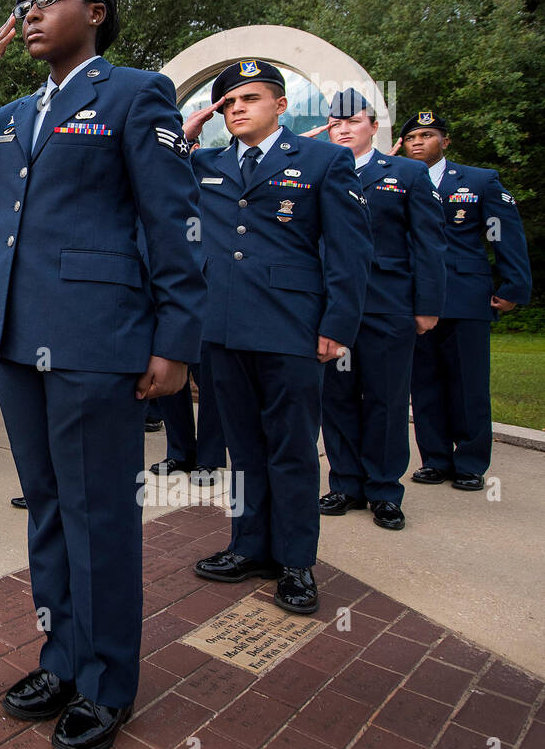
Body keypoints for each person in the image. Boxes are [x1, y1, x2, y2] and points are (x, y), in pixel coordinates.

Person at [0, 0, 205, 749]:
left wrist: (176, 338)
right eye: (26, 2)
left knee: (99, 513)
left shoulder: (134, 95)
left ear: (96, 10)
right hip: (14, 337)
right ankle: (60, 657)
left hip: (96, 338)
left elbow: (172, 222)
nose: (33, 12)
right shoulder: (13, 116)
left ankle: (108, 681)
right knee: (48, 506)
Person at [183, 61, 371, 615]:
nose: (237, 107)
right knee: (242, 447)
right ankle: (249, 546)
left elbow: (350, 250)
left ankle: (294, 561)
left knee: (289, 449)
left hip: (291, 327)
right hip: (221, 326)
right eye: (228, 102)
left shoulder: (323, 159)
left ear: (281, 105)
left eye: (250, 97)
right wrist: (186, 129)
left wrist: (337, 325)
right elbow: (153, 169)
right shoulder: (206, 163)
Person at [317, 90, 446, 530]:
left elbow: (429, 243)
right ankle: (345, 484)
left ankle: (384, 490)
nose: (344, 129)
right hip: (331, 306)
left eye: (353, 121)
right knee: (335, 398)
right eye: (335, 124)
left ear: (374, 126)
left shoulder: (406, 173)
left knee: (387, 400)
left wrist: (427, 305)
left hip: (387, 305)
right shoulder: (316, 170)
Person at [399, 111, 532, 490]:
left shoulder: (478, 181)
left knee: (468, 382)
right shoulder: (398, 182)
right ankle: (436, 460)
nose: (419, 142)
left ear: (445, 141)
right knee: (424, 383)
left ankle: (471, 462)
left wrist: (513, 287)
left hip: (466, 295)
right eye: (412, 138)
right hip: (416, 297)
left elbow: (504, 232)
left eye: (428, 135)